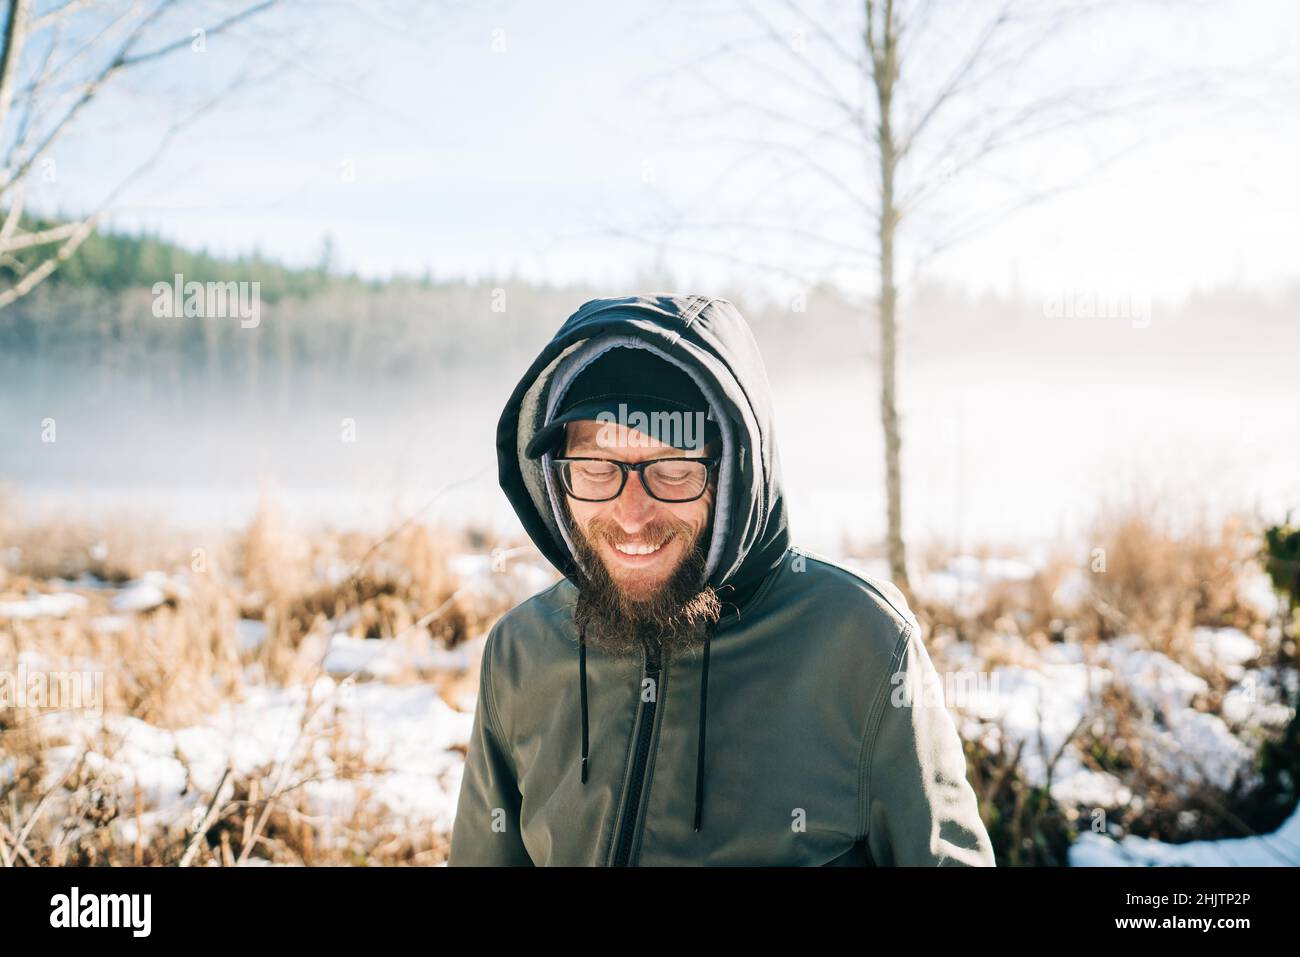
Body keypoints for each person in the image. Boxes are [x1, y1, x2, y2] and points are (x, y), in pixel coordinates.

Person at [448, 293, 995, 866]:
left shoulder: (859, 641)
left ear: (738, 470)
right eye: (595, 468)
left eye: (674, 470)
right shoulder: (522, 651)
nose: (631, 515)